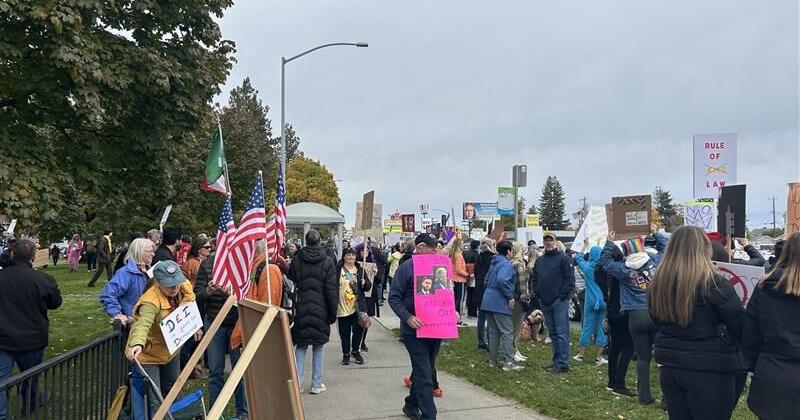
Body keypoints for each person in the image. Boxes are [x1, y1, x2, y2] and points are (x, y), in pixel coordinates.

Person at [649, 226, 744, 419]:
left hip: (671, 367)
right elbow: (740, 326)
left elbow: (657, 319)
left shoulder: (658, 284)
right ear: (704, 249)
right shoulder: (715, 284)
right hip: (710, 369)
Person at [600, 227, 667, 405]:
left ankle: (644, 397)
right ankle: (667, 399)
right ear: (641, 248)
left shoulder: (623, 269)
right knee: (662, 359)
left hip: (635, 316)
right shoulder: (654, 262)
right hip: (656, 312)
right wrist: (656, 233)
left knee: (643, 357)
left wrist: (608, 242)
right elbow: (666, 249)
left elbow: (605, 262)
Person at [125, 260, 199, 419]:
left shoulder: (183, 285)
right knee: (156, 398)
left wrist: (194, 326)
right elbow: (142, 324)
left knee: (172, 390)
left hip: (171, 349)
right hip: (149, 355)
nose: (174, 288)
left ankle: (174, 416)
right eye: (169, 284)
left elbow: (190, 300)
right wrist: (137, 343)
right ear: (157, 283)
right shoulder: (150, 301)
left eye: (177, 283)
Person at [0, 239, 62, 418]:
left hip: (5, 339)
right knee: (29, 377)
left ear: (12, 254)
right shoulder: (42, 279)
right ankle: (30, 403)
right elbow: (56, 302)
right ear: (33, 257)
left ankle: (26, 405)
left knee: (4, 381)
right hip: (31, 339)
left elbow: (54, 302)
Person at [742, 232, 800, 419]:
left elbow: (750, 336)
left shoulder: (765, 288)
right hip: (774, 371)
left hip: (773, 375)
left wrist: (754, 366)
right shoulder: (765, 287)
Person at [389, 233, 445, 419]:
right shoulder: (406, 268)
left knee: (426, 367)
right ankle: (429, 415)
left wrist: (451, 312)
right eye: (432, 247)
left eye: (436, 247)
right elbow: (394, 297)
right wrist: (408, 317)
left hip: (435, 327)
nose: (435, 250)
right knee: (424, 374)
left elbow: (444, 294)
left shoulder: (439, 267)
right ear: (419, 247)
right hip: (414, 329)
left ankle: (411, 404)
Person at [196, 250, 252, 418]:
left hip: (237, 322)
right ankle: (215, 412)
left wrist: (234, 294)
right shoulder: (207, 265)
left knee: (239, 370)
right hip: (214, 321)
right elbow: (197, 295)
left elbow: (250, 293)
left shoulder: (243, 263)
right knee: (215, 370)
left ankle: (242, 412)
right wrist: (208, 291)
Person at [288, 230, 338, 394]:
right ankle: (316, 384)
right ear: (319, 242)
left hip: (300, 308)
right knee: (318, 347)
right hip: (321, 309)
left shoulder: (296, 260)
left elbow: (290, 286)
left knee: (300, 346)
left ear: (306, 241)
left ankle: (299, 384)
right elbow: (331, 290)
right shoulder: (328, 262)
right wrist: (332, 313)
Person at [532, 231, 576, 374]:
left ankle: (563, 363)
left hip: (559, 301)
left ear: (556, 242)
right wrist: (537, 292)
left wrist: (561, 296)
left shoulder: (563, 258)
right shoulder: (540, 260)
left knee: (562, 332)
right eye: (546, 241)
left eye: (551, 240)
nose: (548, 243)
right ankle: (556, 360)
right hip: (544, 301)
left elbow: (570, 280)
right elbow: (535, 279)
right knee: (553, 333)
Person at [481, 240, 525, 372]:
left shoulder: (494, 262)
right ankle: (509, 362)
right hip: (499, 300)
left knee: (493, 332)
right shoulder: (506, 264)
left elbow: (486, 279)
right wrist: (509, 296)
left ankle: (492, 361)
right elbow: (502, 280)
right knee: (507, 331)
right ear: (509, 251)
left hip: (488, 299)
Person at [601, 244, 635, 397]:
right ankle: (619, 383)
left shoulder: (600, 271)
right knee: (628, 347)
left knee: (615, 347)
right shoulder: (622, 270)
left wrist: (608, 244)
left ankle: (612, 381)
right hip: (623, 310)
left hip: (611, 309)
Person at [100, 238, 155, 327]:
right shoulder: (125, 273)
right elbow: (108, 294)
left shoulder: (149, 271)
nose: (153, 254)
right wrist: (117, 314)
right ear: (139, 252)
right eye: (150, 251)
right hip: (132, 326)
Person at [573, 240, 608, 365]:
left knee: (587, 326)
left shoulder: (587, 267)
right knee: (602, 328)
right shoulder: (605, 268)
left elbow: (578, 257)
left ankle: (580, 354)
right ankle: (599, 357)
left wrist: (585, 245)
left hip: (590, 300)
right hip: (603, 300)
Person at [336, 247, 370, 365]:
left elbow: (368, 287)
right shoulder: (338, 270)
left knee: (358, 330)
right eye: (348, 255)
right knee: (344, 332)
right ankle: (346, 353)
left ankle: (355, 351)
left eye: (353, 255)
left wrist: (365, 283)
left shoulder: (360, 270)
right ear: (344, 256)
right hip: (342, 306)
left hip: (357, 307)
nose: (351, 257)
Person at [509, 242, 531, 363]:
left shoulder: (511, 263)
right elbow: (522, 285)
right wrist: (525, 299)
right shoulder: (518, 265)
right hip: (518, 299)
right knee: (516, 326)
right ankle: (512, 350)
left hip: (513, 297)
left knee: (514, 326)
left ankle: (515, 349)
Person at [474, 238, 495, 350]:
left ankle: (481, 340)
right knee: (490, 316)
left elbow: (476, 272)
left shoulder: (478, 257)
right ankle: (490, 339)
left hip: (479, 286)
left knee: (481, 316)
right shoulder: (493, 258)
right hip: (489, 287)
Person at [447, 235, 469, 327]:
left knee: (454, 300)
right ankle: (458, 320)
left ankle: (452, 318)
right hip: (460, 279)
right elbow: (459, 269)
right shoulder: (459, 255)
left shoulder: (451, 254)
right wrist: (467, 274)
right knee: (459, 301)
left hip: (453, 279)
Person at [464, 240, 480, 318]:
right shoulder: (477, 254)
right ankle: (473, 311)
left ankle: (469, 310)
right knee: (474, 294)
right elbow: (476, 265)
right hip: (474, 274)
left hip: (467, 274)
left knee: (469, 293)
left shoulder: (465, 253)